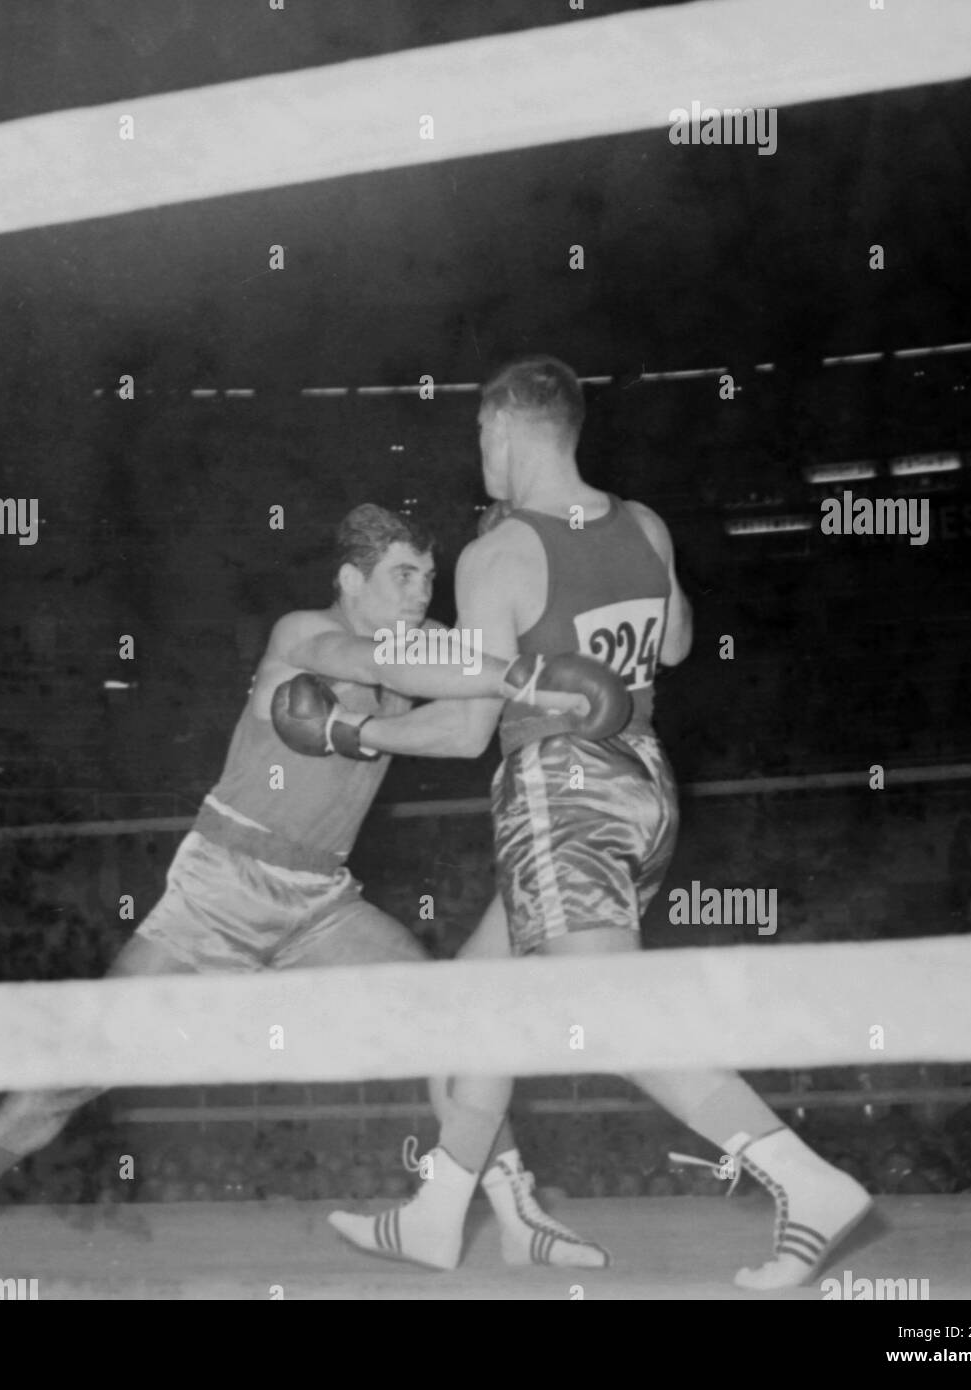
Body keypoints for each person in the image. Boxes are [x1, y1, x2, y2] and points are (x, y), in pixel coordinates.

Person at [0, 502, 614, 1276]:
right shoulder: (303, 634)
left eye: (429, 578)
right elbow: (385, 666)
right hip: (222, 887)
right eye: (402, 576)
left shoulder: (425, 648)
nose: (420, 593)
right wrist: (515, 674)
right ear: (351, 580)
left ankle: (516, 1211)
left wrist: (501, 645)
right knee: (86, 1058)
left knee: (445, 1023)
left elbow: (465, 733)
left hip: (321, 901)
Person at [317, 359, 874, 1288]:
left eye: (481, 432)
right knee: (478, 997)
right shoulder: (644, 524)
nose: (478, 449)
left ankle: (804, 1180)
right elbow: (674, 643)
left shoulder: (499, 554)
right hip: (643, 784)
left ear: (507, 427)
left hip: (560, 789)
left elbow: (468, 727)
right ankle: (438, 1212)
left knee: (608, 1012)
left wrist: (361, 712)